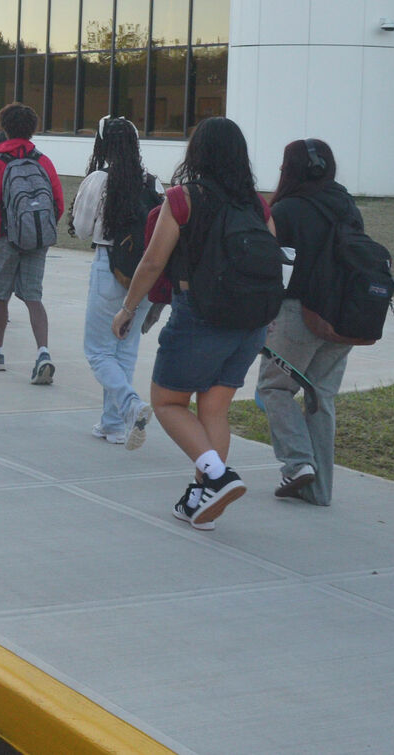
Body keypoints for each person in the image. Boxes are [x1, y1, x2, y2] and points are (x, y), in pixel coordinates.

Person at [111, 116, 279, 528]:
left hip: (201, 317)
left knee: (168, 402)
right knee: (214, 411)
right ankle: (202, 503)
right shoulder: (256, 204)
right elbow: (274, 258)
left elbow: (152, 261)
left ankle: (218, 478)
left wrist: (129, 308)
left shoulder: (183, 199)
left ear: (197, 153)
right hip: (250, 323)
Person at [257, 138, 362, 503]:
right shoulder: (347, 206)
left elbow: (272, 270)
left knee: (275, 388)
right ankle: (320, 491)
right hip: (345, 319)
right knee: (321, 398)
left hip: (299, 315)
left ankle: (298, 463)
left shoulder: (285, 211)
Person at [71, 117, 159, 447]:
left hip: (108, 266)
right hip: (145, 274)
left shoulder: (99, 179)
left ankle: (131, 405)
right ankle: (113, 425)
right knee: (125, 350)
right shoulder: (153, 183)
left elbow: (81, 229)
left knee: (97, 351)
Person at [0, 103, 63, 384]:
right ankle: (43, 353)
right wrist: (41, 229)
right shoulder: (43, 160)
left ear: (3, 127)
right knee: (34, 296)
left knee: (1, 295)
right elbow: (57, 202)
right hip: (37, 237)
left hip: (5, 235)